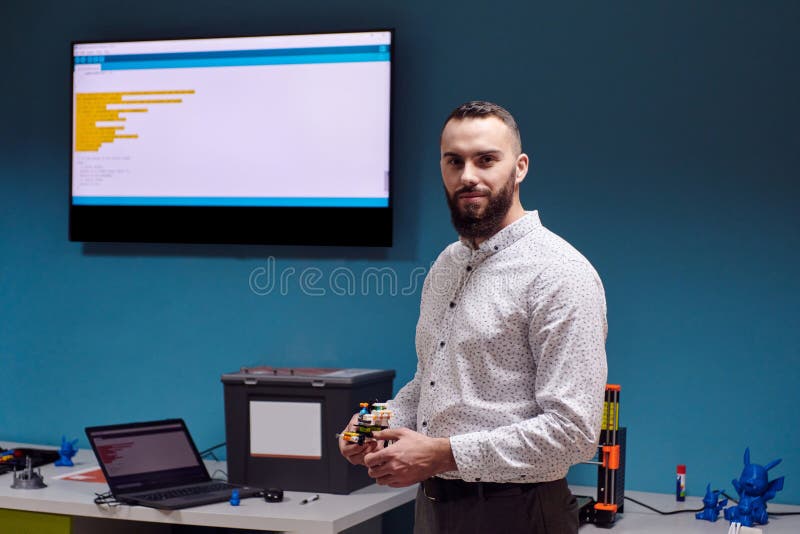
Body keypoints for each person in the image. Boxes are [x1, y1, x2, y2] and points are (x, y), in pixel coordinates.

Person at [339, 101, 608, 533]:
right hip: (432, 508)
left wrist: (444, 454)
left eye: (485, 160)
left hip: (517, 512)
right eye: (454, 161)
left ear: (519, 167)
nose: (468, 176)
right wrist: (370, 424)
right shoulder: (447, 264)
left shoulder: (559, 273)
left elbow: (572, 434)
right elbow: (431, 382)